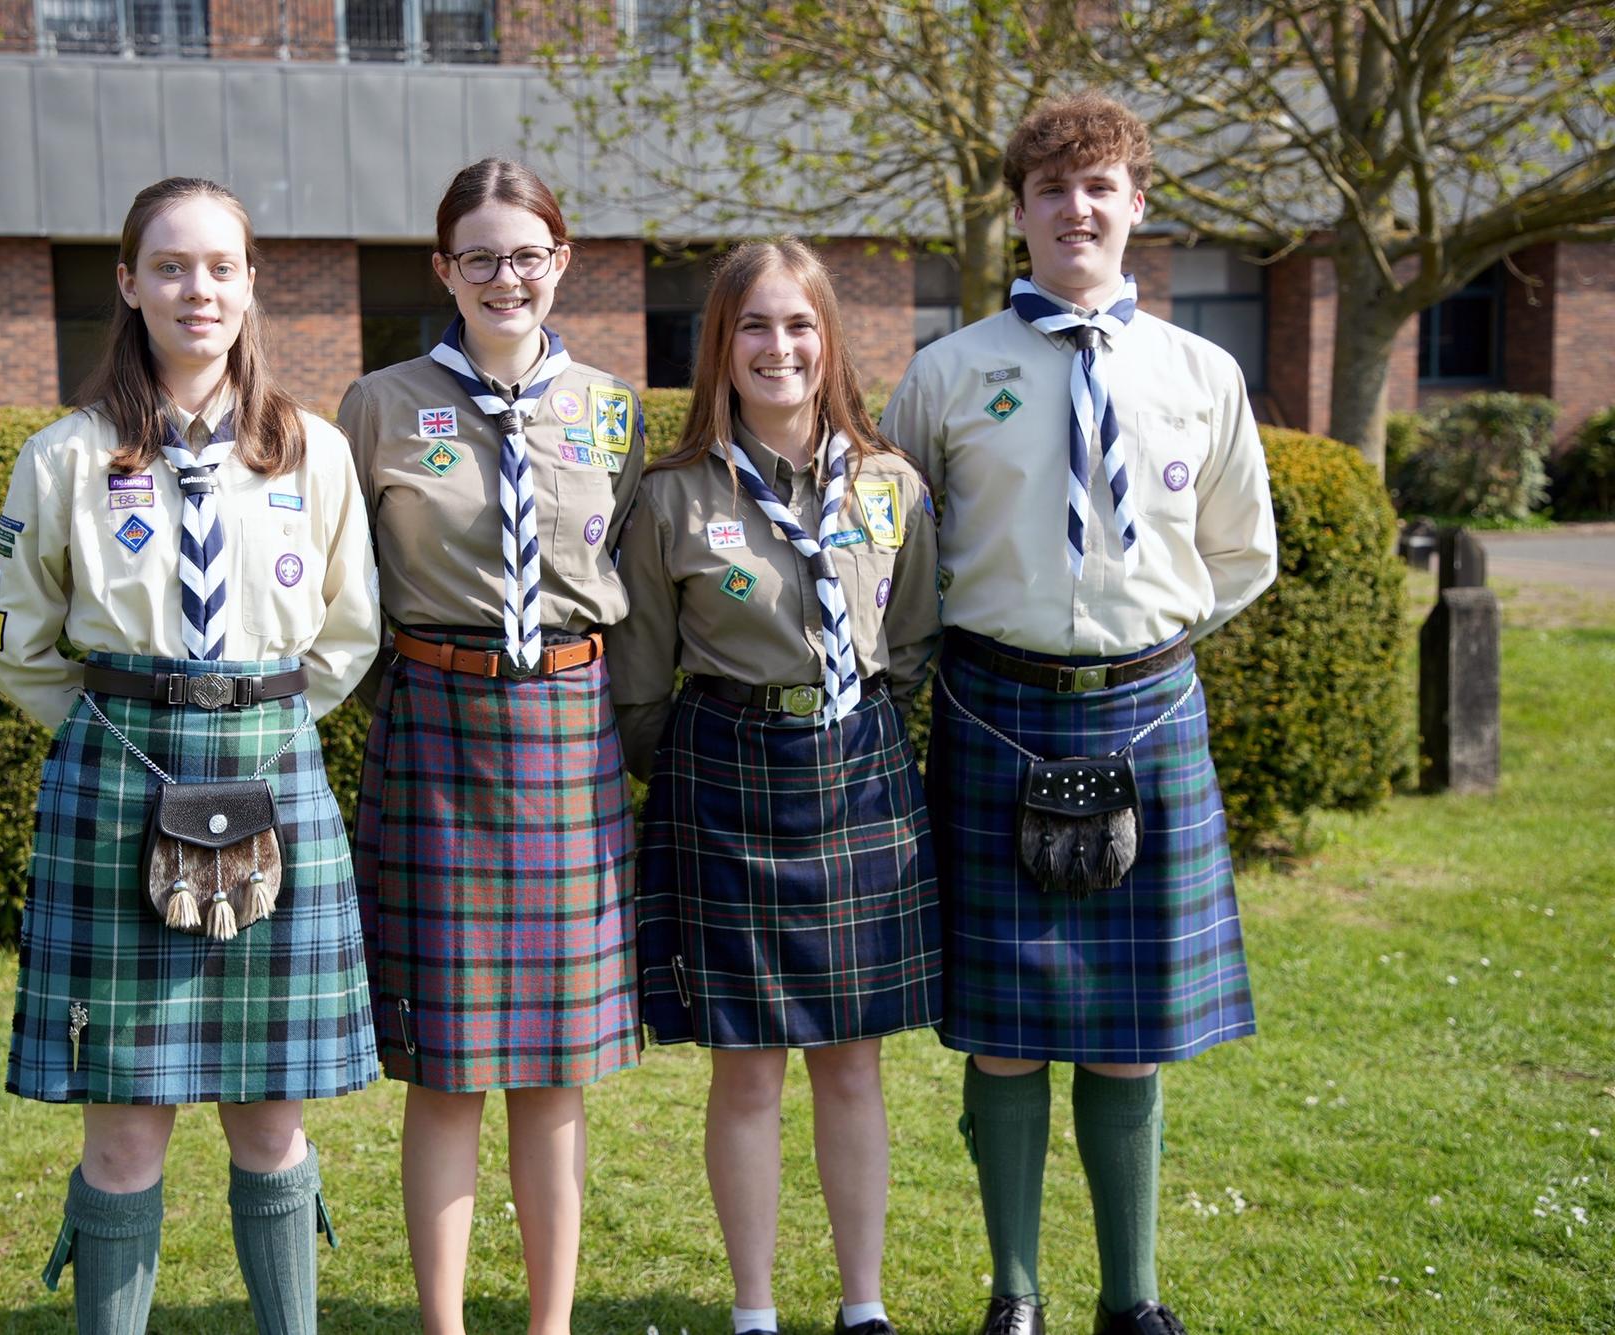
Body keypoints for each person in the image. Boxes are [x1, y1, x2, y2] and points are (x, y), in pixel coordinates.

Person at [880, 93, 1278, 1335]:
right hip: (993, 710)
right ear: (1017, 211)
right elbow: (894, 551)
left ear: (1136, 204)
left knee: (1128, 1035)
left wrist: (1139, 654)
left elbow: (1241, 551)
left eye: (1098, 186)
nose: (1075, 209)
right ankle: (1013, 1293)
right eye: (1050, 189)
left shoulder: (1199, 373)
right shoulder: (946, 373)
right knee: (1001, 1035)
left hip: (1147, 712)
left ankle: (1130, 1299)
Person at [0, 176, 380, 1335]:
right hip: (117, 784)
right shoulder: (65, 456)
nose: (195, 290)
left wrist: (258, 728)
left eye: (218, 267)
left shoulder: (311, 452)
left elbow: (348, 633)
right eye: (169, 266)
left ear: (249, 285)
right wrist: (111, 735)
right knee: (123, 1124)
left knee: (272, 1117)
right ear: (128, 284)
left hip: (272, 774)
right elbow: (7, 641)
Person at [606, 240, 942, 1335]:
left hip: (859, 773)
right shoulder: (671, 496)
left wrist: (859, 734)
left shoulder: (890, 484)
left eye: (799, 324)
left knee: (851, 1065)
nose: (778, 346)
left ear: (828, 339)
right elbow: (639, 684)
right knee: (746, 1071)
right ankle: (753, 1311)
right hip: (726, 781)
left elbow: (912, 643)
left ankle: (863, 1306)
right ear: (720, 344)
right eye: (753, 324)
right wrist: (702, 767)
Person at [336, 158, 643, 1335]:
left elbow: (626, 578)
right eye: (480, 257)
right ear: (443, 270)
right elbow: (346, 586)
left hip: (567, 729)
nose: (505, 277)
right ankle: (443, 1326)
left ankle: (549, 1326)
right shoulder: (377, 403)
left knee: (555, 1067)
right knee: (446, 1064)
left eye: (527, 255)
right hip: (436, 734)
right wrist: (410, 692)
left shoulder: (611, 408)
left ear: (560, 261)